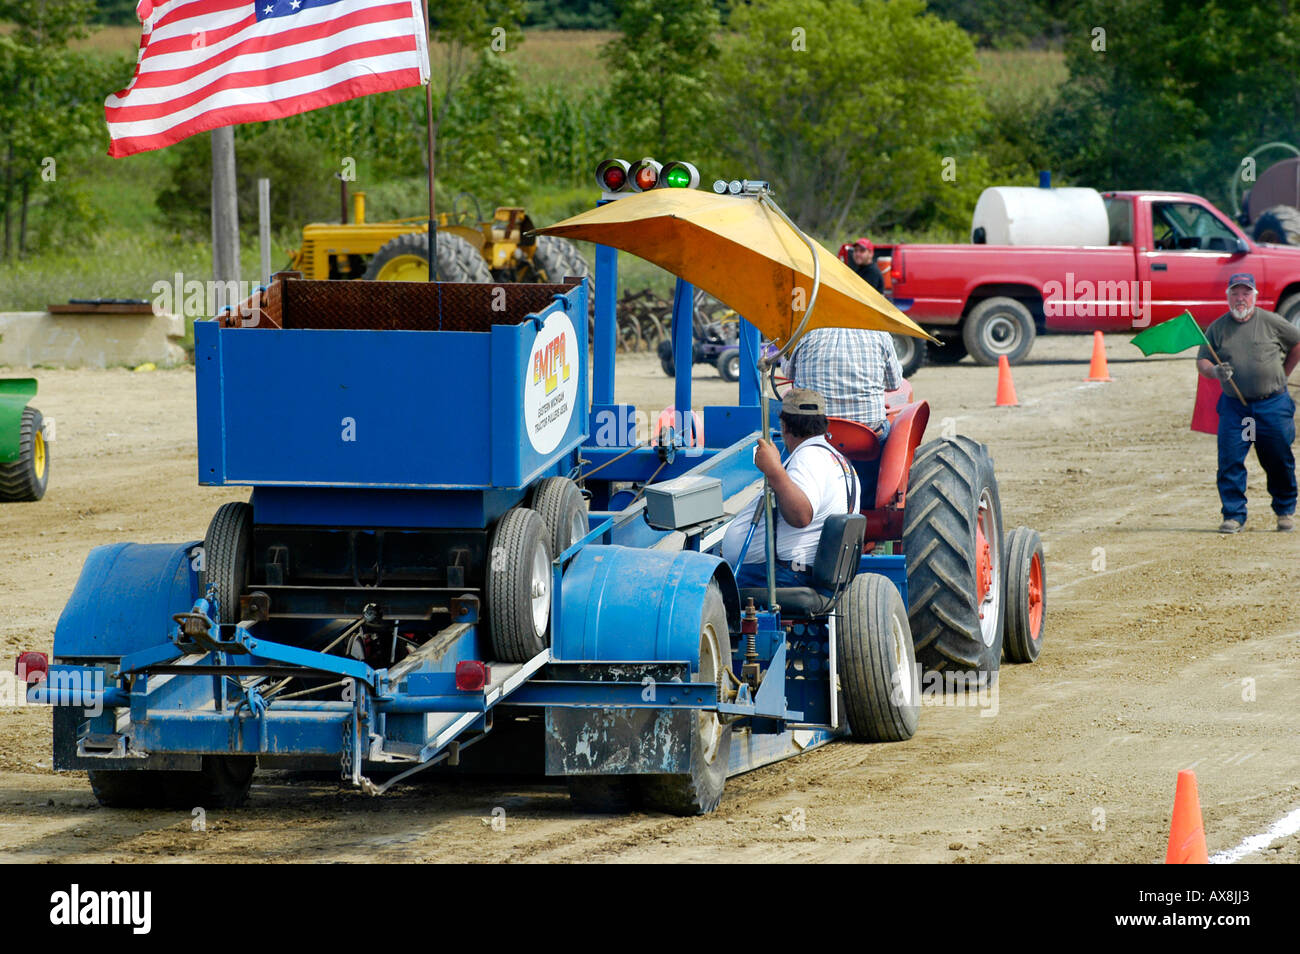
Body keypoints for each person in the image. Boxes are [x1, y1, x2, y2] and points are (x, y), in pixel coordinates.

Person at [722, 388, 860, 589]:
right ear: (824, 423)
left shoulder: (809, 458)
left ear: (784, 425)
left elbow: (800, 516)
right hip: (805, 572)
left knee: (702, 585)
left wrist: (774, 471)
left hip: (783, 574)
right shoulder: (839, 460)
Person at [1195, 272, 1300, 533]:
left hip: (1271, 406)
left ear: (1254, 296)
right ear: (1228, 296)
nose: (1240, 299)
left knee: (1278, 459)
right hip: (1237, 408)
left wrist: (1283, 373)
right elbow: (1203, 359)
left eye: (1245, 293)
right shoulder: (1218, 328)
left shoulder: (1272, 321)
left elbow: (1297, 343)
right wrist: (1214, 372)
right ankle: (1233, 514)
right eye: (1235, 293)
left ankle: (1285, 510)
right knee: (1230, 459)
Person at [787, 324, 903, 439]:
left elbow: (789, 374)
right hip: (867, 435)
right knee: (892, 426)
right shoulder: (880, 334)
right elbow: (894, 384)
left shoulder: (804, 333)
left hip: (812, 431)